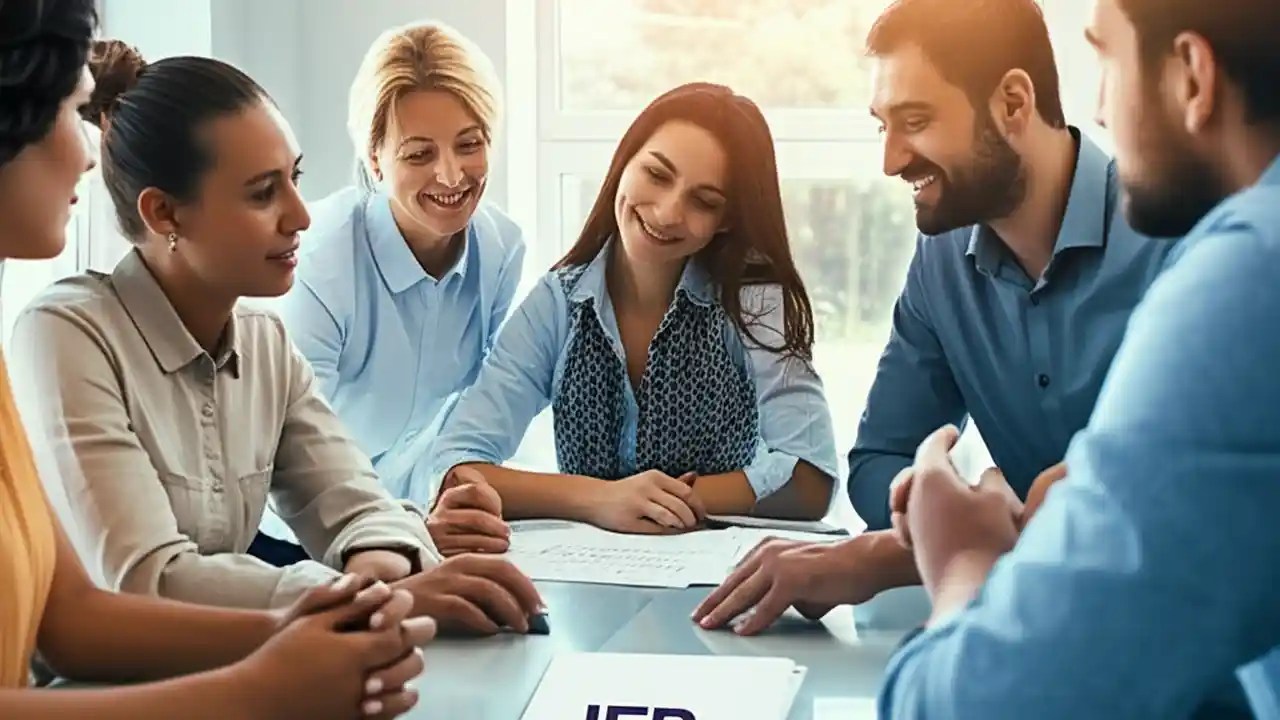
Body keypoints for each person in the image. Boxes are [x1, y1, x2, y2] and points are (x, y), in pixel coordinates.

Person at [9, 40, 543, 635]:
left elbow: (358, 508)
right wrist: (369, 596)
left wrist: (379, 573)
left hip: (253, 660)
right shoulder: (66, 333)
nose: (301, 215)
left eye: (295, 178)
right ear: (165, 215)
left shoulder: (265, 345)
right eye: (263, 193)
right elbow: (147, 579)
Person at [0, 2, 431, 717]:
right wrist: (265, 677)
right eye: (69, 112)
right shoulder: (58, 329)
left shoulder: (265, 342)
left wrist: (333, 620)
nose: (84, 149)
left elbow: (72, 615)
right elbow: (133, 586)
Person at [693, 0, 1174, 636]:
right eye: (883, 126)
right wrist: (956, 504)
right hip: (1033, 627)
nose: (891, 161)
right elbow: (876, 465)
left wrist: (887, 554)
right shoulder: (942, 260)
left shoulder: (1176, 237)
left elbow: (1166, 500)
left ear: (1012, 103)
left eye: (915, 121)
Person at [879, 0, 1280, 716]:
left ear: (1192, 76)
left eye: (1107, 59)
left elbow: (968, 706)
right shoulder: (939, 263)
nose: (1097, 108)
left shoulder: (1247, 272)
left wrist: (965, 557)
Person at [423, 82, 839, 551]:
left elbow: (810, 477)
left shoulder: (754, 302)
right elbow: (456, 469)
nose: (666, 212)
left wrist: (670, 501)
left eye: (703, 201)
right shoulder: (557, 302)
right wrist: (600, 500)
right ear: (624, 164)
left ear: (727, 220)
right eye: (657, 175)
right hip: (585, 588)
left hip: (712, 581)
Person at [265, 19, 524, 518]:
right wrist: (399, 532)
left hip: (414, 517)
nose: (451, 175)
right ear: (375, 159)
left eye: (469, 145)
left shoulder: (501, 250)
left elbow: (479, 412)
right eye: (419, 154)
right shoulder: (317, 260)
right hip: (299, 529)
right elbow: (291, 452)